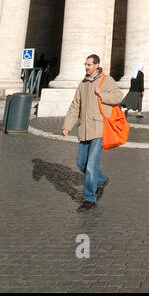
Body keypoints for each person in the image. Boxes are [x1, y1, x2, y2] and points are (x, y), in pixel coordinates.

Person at [60, 54, 124, 211]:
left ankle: (89, 198)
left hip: (99, 128)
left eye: (89, 64)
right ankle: (101, 180)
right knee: (81, 162)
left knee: (91, 165)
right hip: (84, 128)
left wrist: (102, 95)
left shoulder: (106, 81)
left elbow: (118, 96)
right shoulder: (83, 84)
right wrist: (67, 125)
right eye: (85, 64)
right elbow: (75, 106)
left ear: (97, 65)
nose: (86, 67)